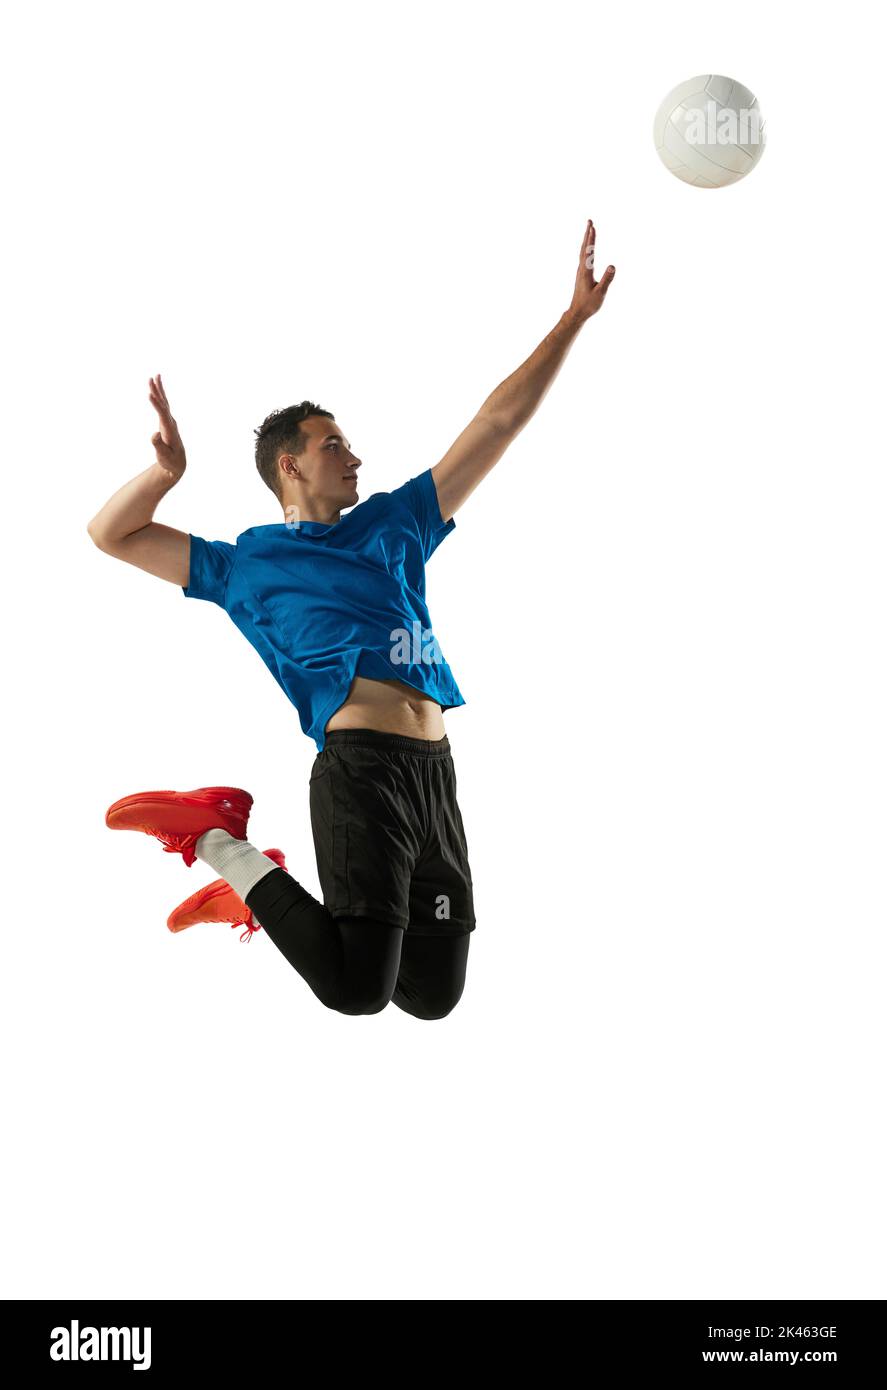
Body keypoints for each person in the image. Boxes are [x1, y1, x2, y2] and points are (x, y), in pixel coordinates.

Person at [88, 220, 615, 1020]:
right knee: (354, 991)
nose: (355, 457)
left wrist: (571, 320)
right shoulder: (243, 565)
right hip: (360, 770)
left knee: (431, 997)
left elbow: (494, 425)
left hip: (434, 776)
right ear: (289, 465)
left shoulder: (394, 523)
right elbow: (111, 534)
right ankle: (219, 841)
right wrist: (165, 473)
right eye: (335, 444)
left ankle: (260, 898)